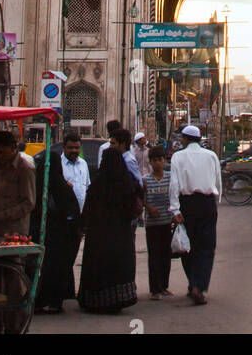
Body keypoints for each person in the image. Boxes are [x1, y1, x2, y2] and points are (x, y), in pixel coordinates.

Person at [78, 147, 140, 313]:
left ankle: (96, 301)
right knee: (118, 267)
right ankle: (118, 299)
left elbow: (88, 208)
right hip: (121, 235)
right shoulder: (126, 183)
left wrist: (84, 226)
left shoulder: (98, 183)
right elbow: (133, 208)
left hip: (98, 235)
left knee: (98, 267)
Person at [168, 124, 222, 305]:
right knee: (206, 247)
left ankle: (193, 284)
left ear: (185, 139)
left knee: (187, 245)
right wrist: (216, 202)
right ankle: (198, 285)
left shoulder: (178, 157)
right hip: (207, 203)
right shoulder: (211, 156)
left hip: (186, 204)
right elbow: (217, 181)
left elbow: (174, 184)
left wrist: (175, 209)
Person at [31, 149, 81, 314]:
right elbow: (73, 214)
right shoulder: (62, 186)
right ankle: (54, 301)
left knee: (39, 267)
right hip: (59, 237)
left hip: (41, 235)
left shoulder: (36, 186)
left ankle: (38, 300)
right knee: (56, 267)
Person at [143, 147, 173, 299]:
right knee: (154, 256)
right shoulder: (146, 180)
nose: (157, 163)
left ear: (164, 160)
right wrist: (149, 207)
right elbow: (141, 200)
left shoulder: (170, 177)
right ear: (150, 162)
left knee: (166, 255)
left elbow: (174, 197)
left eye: (159, 160)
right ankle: (155, 289)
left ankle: (164, 286)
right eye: (153, 160)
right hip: (152, 224)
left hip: (167, 222)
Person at [60, 130, 90, 213]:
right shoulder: (59, 164)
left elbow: (87, 187)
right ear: (64, 147)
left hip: (81, 213)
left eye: (77, 148)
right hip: (64, 214)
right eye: (70, 148)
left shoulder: (83, 164)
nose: (74, 150)